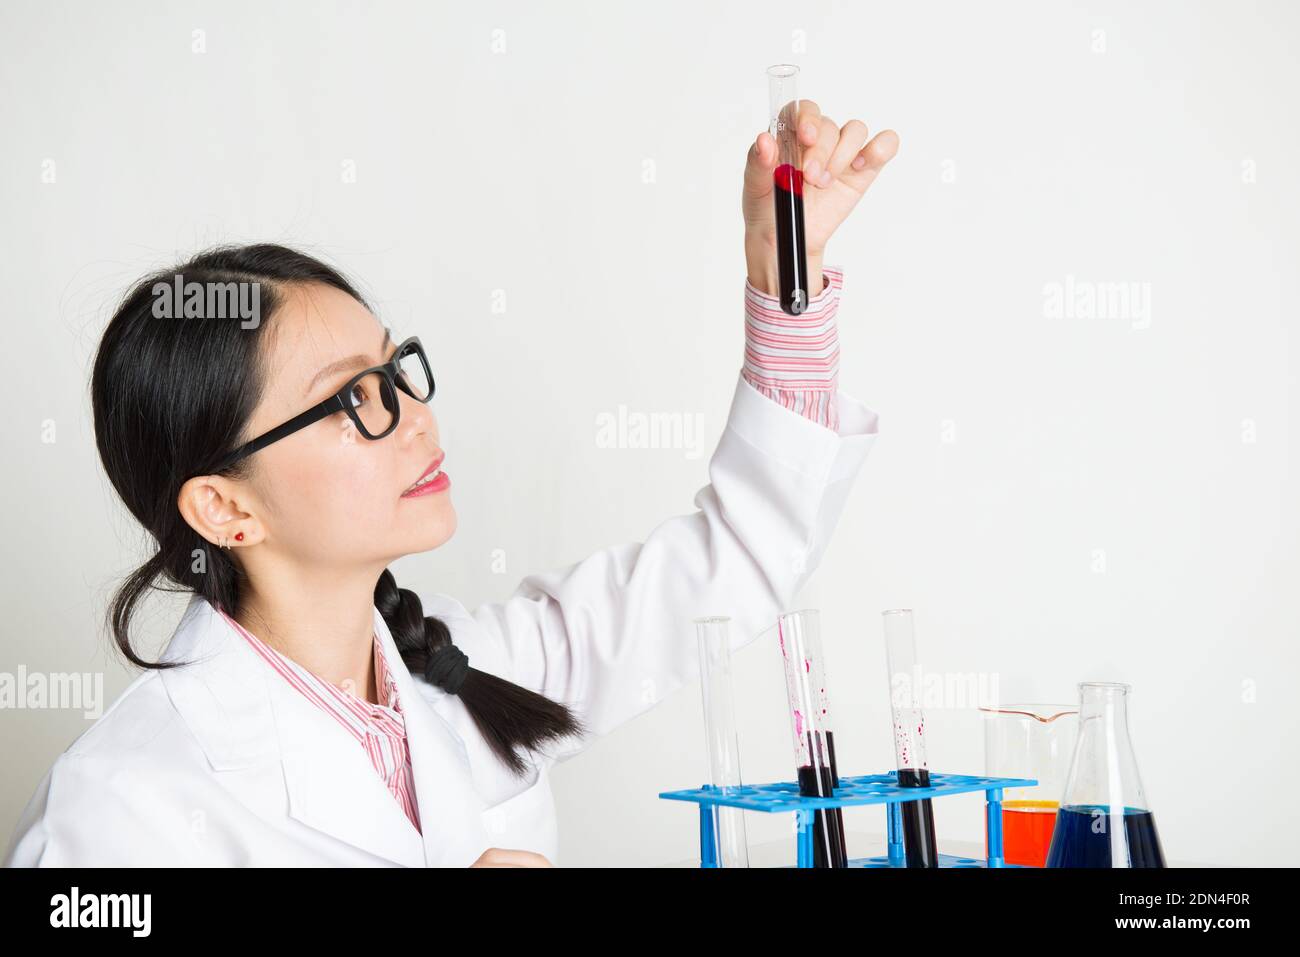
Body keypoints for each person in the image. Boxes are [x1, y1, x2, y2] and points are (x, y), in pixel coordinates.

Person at [3, 101, 897, 867]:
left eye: (397, 370)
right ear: (225, 507)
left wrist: (786, 281)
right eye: (354, 397)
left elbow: (730, 563)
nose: (416, 415)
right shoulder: (116, 808)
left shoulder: (466, 672)